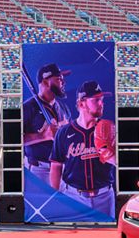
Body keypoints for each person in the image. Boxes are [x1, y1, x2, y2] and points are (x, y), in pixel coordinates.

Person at [49, 80, 117, 217]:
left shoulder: (109, 130)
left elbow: (120, 163)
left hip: (104, 196)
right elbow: (56, 165)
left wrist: (111, 155)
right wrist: (54, 195)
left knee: (105, 237)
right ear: (81, 103)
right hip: (73, 196)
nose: (101, 104)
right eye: (96, 100)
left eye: (102, 100)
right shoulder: (64, 132)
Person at [22, 63, 71, 184]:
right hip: (39, 171)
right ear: (45, 82)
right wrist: (43, 136)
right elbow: (11, 140)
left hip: (63, 170)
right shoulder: (27, 108)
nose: (63, 83)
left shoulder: (63, 108)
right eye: (59, 79)